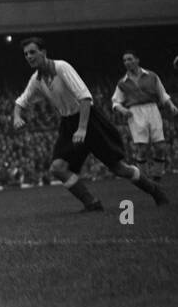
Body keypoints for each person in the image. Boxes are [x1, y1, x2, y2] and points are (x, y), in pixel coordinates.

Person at [13, 38, 167, 212]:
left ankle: (156, 190)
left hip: (89, 119)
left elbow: (85, 98)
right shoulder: (37, 79)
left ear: (44, 52)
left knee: (119, 168)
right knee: (58, 168)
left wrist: (82, 128)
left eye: (32, 52)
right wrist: (17, 116)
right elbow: (21, 101)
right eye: (26, 54)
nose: (29, 56)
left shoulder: (61, 67)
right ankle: (92, 203)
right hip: (69, 123)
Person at [111, 49, 176, 183]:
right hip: (135, 112)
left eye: (129, 59)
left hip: (152, 109)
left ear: (137, 60)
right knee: (142, 148)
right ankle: (144, 179)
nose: (127, 62)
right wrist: (122, 110)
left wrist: (171, 104)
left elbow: (162, 93)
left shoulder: (151, 76)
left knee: (160, 146)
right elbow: (115, 101)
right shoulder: (122, 82)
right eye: (124, 60)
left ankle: (157, 176)